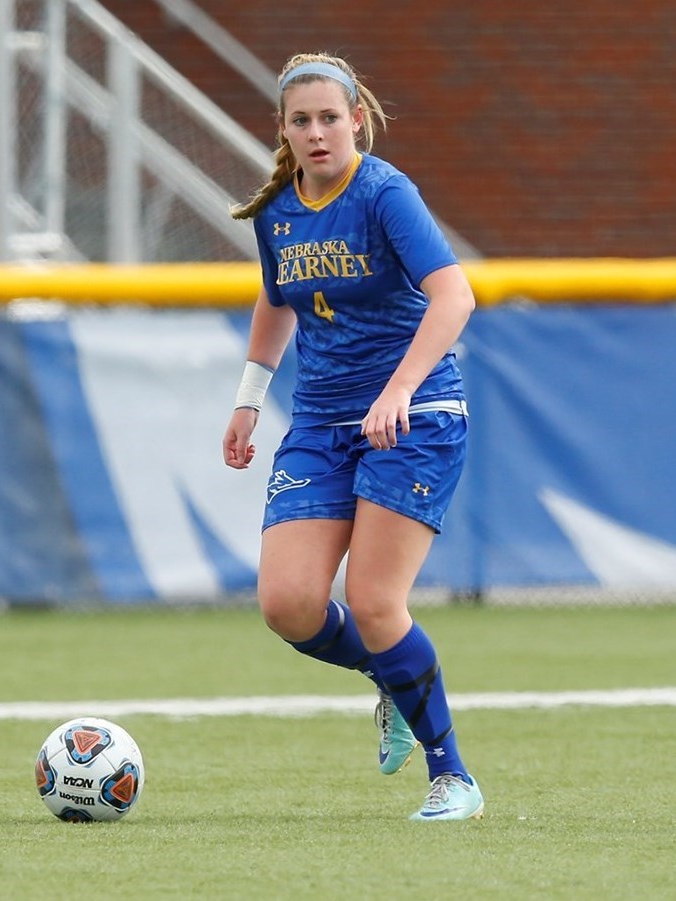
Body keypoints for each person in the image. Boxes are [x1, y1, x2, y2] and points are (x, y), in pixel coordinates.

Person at [222, 54, 483, 821]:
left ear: (356, 119)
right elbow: (277, 298)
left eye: (329, 117)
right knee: (290, 604)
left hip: (415, 416)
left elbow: (454, 293)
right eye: (300, 120)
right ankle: (393, 680)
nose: (316, 132)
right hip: (322, 422)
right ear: (283, 131)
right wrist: (248, 399)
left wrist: (400, 388)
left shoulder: (383, 192)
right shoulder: (278, 208)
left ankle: (453, 777)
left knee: (373, 601)